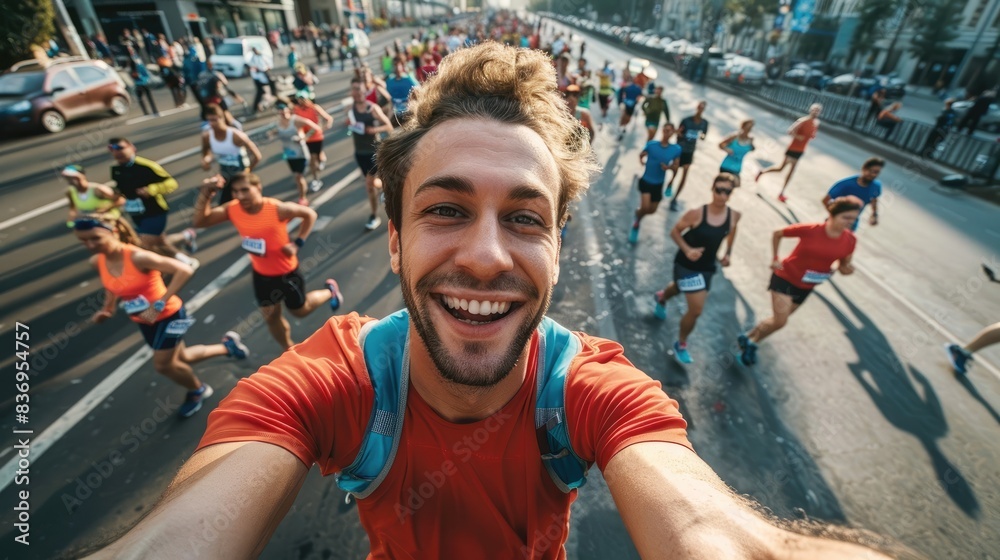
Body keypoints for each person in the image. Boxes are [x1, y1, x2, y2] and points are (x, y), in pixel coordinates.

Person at [87, 43, 898, 560]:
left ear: (557, 248)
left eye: (524, 218)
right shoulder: (329, 381)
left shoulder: (593, 390)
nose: (485, 255)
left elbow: (715, 533)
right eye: (445, 209)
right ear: (395, 239)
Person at [74, 215, 248, 418]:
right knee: (181, 357)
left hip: (169, 316)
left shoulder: (138, 257)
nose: (90, 245)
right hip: (144, 319)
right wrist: (108, 308)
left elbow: (184, 270)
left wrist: (160, 303)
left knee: (163, 365)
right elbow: (112, 284)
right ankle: (228, 347)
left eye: (95, 238)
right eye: (84, 241)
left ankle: (198, 390)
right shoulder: (98, 261)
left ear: (112, 231)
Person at [191, 172, 345, 350]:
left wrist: (297, 243)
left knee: (300, 311)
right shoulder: (233, 209)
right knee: (271, 317)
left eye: (245, 190)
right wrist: (205, 194)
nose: (240, 196)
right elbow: (200, 221)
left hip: (287, 273)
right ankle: (288, 348)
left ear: (258, 187)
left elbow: (309, 214)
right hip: (261, 275)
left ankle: (329, 292)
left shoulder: (277, 209)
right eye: (235, 191)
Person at [738, 196, 862, 366]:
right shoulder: (811, 230)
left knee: (777, 320)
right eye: (846, 217)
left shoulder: (850, 240)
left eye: (854, 218)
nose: (850, 222)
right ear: (832, 214)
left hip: (807, 286)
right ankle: (753, 343)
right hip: (785, 277)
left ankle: (747, 336)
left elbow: (843, 266)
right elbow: (778, 233)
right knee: (780, 321)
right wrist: (775, 258)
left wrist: (846, 270)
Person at [652, 174, 741, 364]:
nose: (722, 195)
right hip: (686, 265)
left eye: (727, 191)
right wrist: (688, 250)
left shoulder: (733, 215)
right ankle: (681, 344)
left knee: (678, 287)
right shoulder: (697, 213)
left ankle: (662, 297)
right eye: (719, 190)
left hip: (707, 267)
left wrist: (728, 253)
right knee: (696, 310)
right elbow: (675, 231)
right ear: (712, 189)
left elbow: (732, 231)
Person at [108, 138, 198, 268]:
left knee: (144, 243)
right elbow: (122, 191)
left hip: (155, 210)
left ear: (132, 147)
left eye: (120, 148)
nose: (117, 152)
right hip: (136, 213)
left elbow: (171, 183)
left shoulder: (147, 166)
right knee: (159, 242)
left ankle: (172, 268)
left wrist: (151, 189)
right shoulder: (116, 170)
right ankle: (186, 241)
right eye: (112, 149)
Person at [346, 77, 394, 230]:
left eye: (358, 89)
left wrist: (374, 129)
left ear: (364, 91)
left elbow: (388, 126)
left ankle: (374, 216)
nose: (356, 92)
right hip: (359, 153)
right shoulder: (350, 109)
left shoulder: (372, 108)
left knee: (369, 184)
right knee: (372, 183)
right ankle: (385, 187)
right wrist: (349, 125)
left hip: (373, 151)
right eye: (353, 89)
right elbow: (348, 126)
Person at [756, 103, 821, 202]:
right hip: (793, 149)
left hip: (801, 150)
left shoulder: (815, 123)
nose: (815, 112)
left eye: (818, 111)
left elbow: (812, 136)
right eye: (814, 110)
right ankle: (762, 172)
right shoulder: (803, 121)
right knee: (781, 169)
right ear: (810, 110)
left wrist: (812, 135)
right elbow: (790, 131)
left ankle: (781, 193)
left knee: (791, 172)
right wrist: (798, 137)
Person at [629, 122, 681, 244]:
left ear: (673, 133)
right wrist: (641, 160)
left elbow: (676, 167)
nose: (667, 133)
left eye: (670, 130)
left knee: (652, 210)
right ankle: (637, 222)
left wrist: (668, 169)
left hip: (658, 184)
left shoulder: (676, 149)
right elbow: (642, 154)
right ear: (662, 130)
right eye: (665, 129)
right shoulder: (651, 145)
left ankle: (638, 214)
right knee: (645, 207)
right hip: (646, 181)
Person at [200, 104, 262, 204]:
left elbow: (257, 156)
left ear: (222, 118)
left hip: (240, 176)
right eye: (209, 120)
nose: (212, 123)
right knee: (226, 205)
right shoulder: (207, 136)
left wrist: (247, 171)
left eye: (214, 120)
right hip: (224, 175)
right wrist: (206, 159)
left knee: (245, 203)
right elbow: (206, 152)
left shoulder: (235, 135)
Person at [62, 164, 136, 242]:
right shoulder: (70, 192)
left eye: (74, 177)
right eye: (68, 178)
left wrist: (104, 210)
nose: (71, 181)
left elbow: (121, 200)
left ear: (82, 176)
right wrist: (71, 222)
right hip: (92, 226)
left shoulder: (97, 189)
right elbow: (73, 208)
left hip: (111, 223)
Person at [272, 98, 324, 205]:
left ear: (288, 110)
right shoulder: (278, 123)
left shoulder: (296, 120)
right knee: (297, 175)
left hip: (301, 152)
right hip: (289, 154)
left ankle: (305, 195)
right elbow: (275, 133)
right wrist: (271, 135)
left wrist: (304, 137)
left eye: (284, 110)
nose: (283, 113)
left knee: (299, 175)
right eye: (280, 111)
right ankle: (305, 188)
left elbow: (315, 127)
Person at [667, 101, 709, 212]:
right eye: (699, 107)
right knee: (675, 171)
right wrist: (679, 133)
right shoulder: (686, 120)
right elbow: (679, 134)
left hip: (690, 152)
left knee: (684, 174)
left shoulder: (704, 123)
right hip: (680, 149)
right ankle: (670, 183)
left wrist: (701, 136)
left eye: (702, 108)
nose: (700, 109)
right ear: (697, 107)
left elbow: (704, 136)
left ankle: (675, 198)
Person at [822, 157, 883, 231]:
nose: (873, 174)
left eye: (876, 172)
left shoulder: (876, 186)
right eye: (871, 171)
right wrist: (836, 215)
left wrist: (874, 214)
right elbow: (825, 200)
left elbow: (874, 200)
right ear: (864, 168)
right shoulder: (846, 184)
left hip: (852, 225)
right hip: (834, 223)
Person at [292, 91, 335, 191]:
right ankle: (316, 179)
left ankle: (321, 161)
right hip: (306, 139)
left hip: (317, 138)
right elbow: (296, 124)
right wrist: (301, 135)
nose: (302, 101)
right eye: (299, 99)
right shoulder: (296, 110)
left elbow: (328, 118)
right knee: (312, 158)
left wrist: (323, 128)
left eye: (303, 99)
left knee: (317, 157)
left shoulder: (314, 108)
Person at [718, 119, 755, 187]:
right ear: (743, 126)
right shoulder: (734, 137)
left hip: (737, 168)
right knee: (722, 187)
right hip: (726, 165)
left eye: (750, 128)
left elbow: (753, 149)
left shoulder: (750, 140)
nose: (748, 129)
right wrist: (727, 149)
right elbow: (720, 145)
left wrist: (752, 146)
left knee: (733, 186)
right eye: (747, 127)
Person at [385, 57, 420, 126]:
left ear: (402, 66)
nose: (397, 67)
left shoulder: (409, 79)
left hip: (408, 106)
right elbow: (389, 98)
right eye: (395, 65)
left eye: (398, 65)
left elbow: (418, 90)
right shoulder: (389, 81)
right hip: (394, 108)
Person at [249, 47, 277, 113]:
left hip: (263, 74)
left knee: (270, 86)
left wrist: (267, 67)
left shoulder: (262, 56)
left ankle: (272, 97)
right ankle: (256, 107)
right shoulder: (253, 58)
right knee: (261, 91)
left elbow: (267, 63)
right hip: (258, 77)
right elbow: (254, 68)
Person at [617, 76, 644, 141]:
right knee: (627, 117)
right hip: (631, 105)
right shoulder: (638, 88)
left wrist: (620, 101)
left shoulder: (628, 86)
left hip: (626, 104)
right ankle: (623, 128)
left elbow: (622, 92)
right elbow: (640, 97)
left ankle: (621, 129)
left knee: (624, 116)